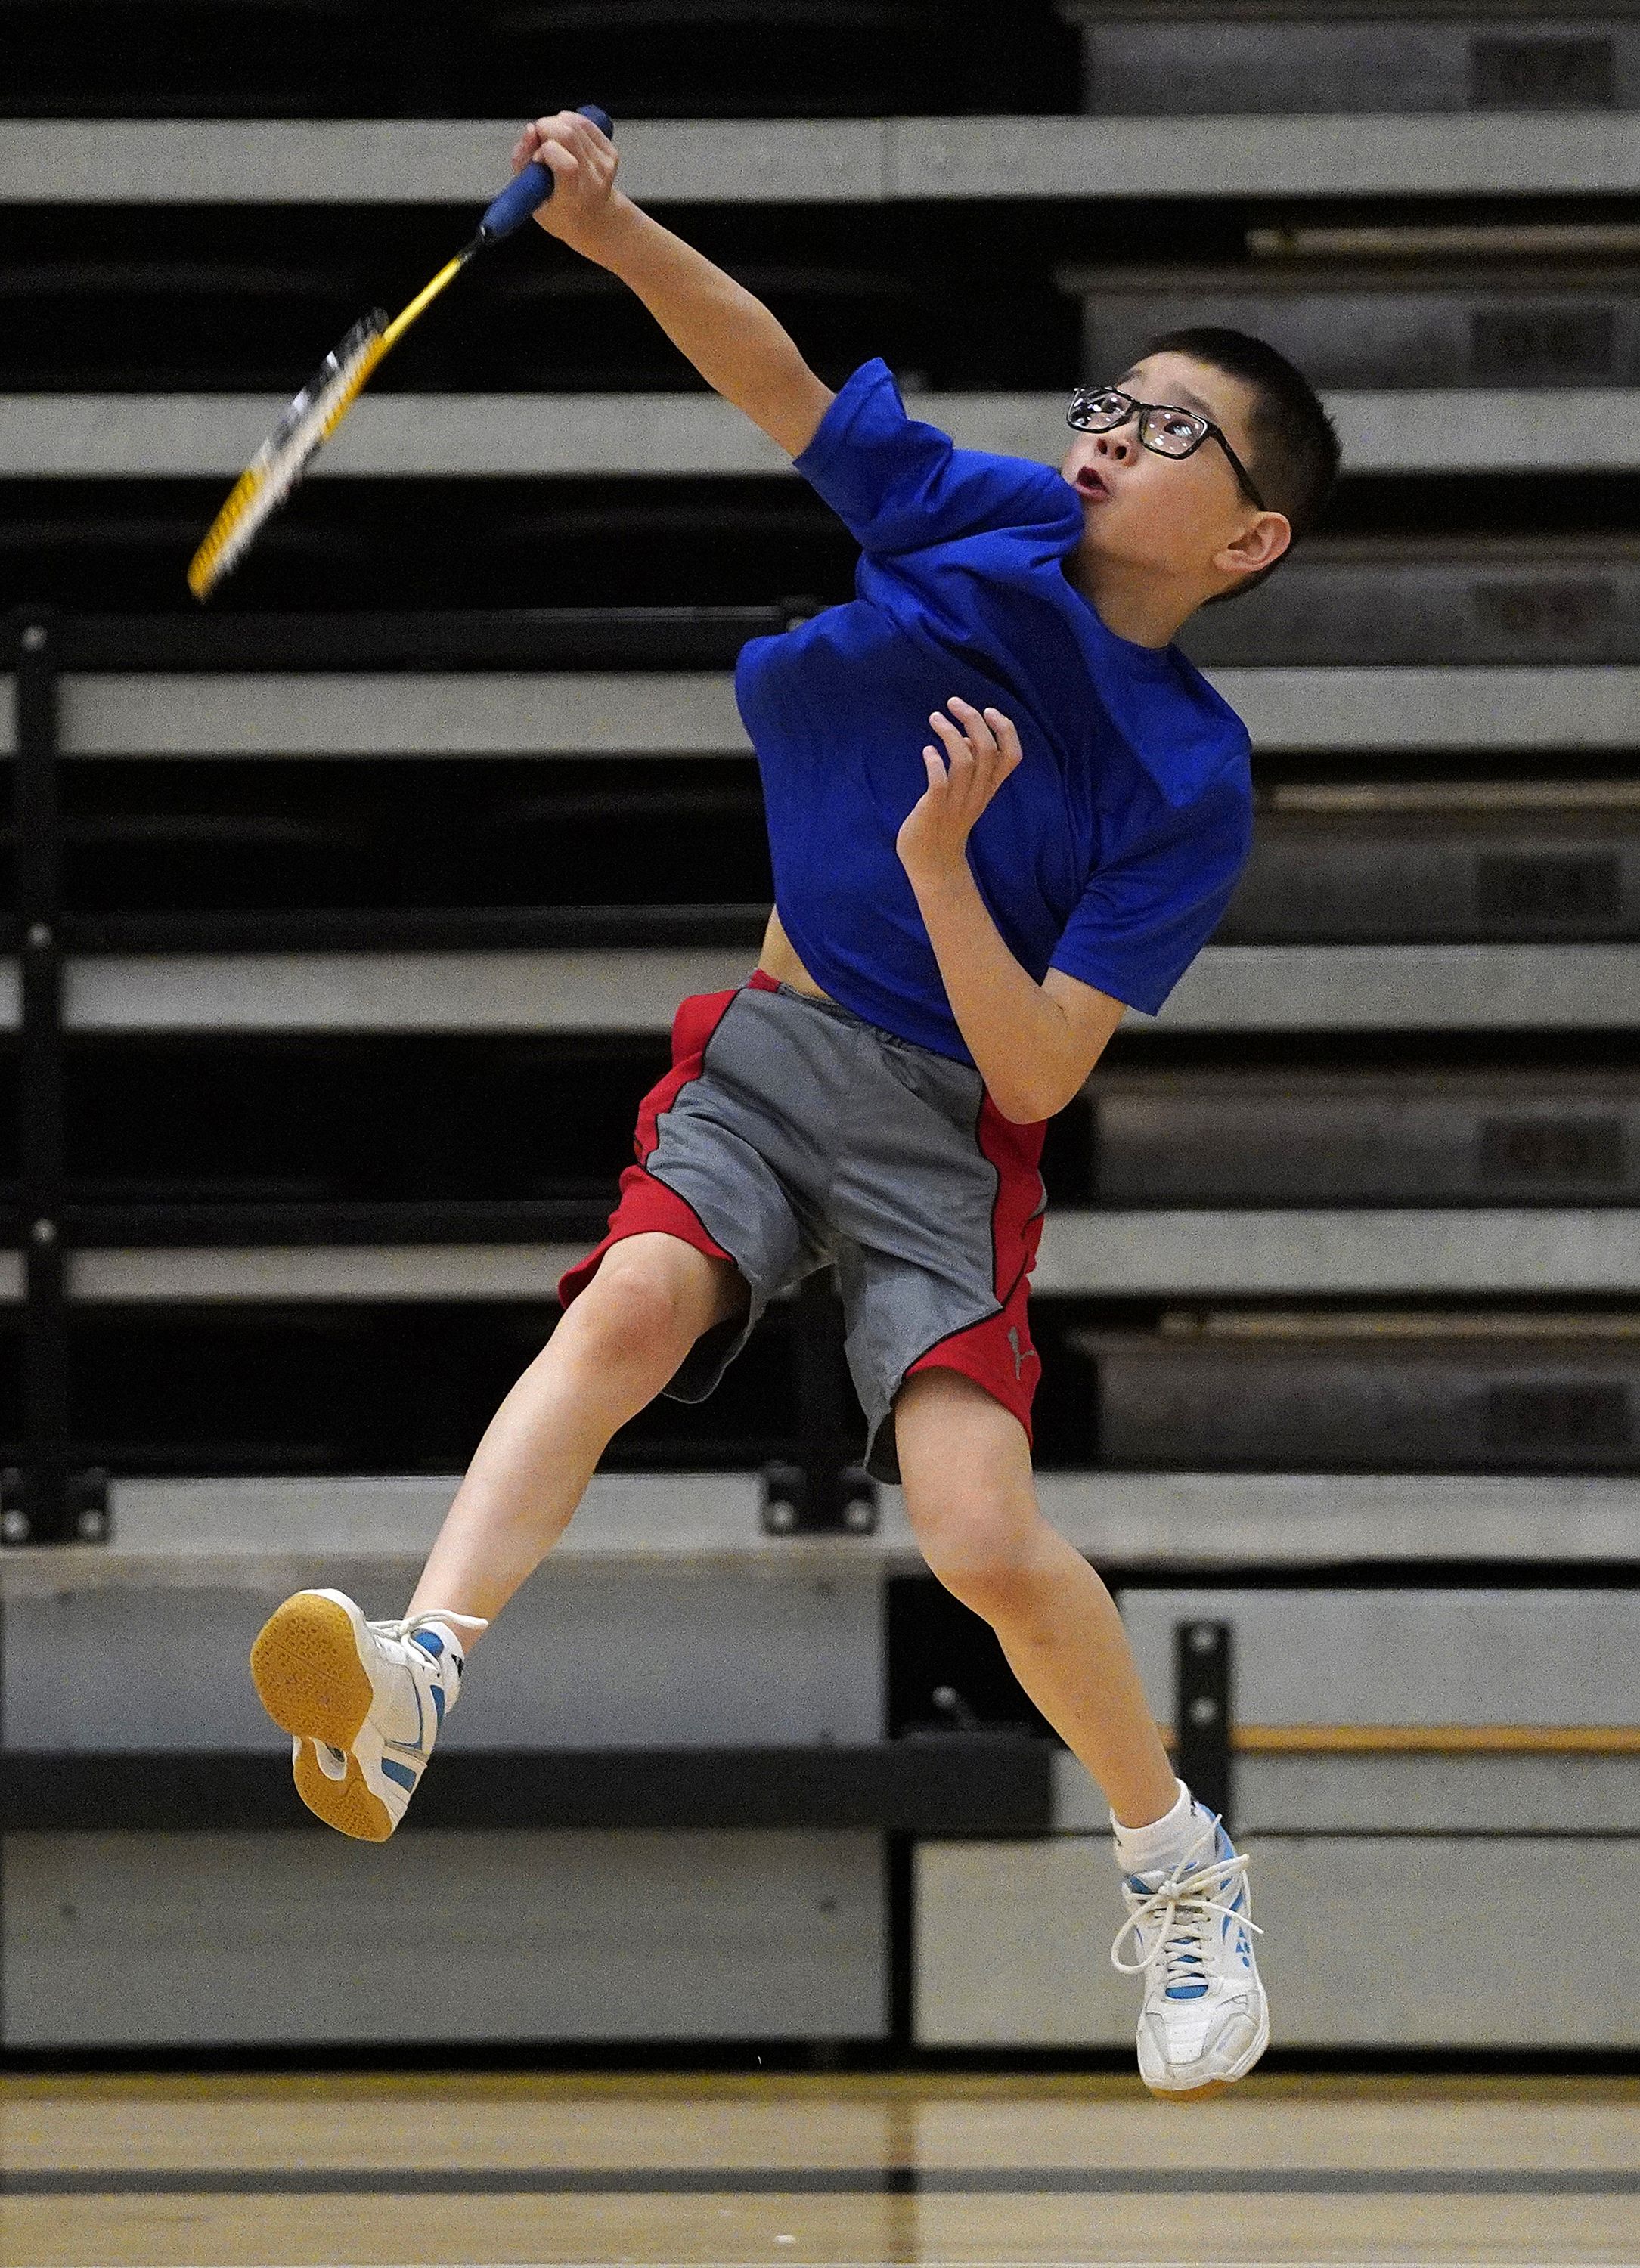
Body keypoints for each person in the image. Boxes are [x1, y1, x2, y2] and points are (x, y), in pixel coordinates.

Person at [249, 109, 1340, 2098]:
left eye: (1175, 430)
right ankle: (416, 1678)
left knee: (983, 1542)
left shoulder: (1188, 780)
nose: (1116, 428)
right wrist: (605, 225)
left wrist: (940, 866)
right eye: (1115, 398)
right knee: (628, 1310)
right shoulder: (980, 514)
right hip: (772, 1044)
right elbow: (770, 371)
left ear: (1249, 539)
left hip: (947, 1123)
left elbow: (1035, 1074)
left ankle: (1178, 1864)